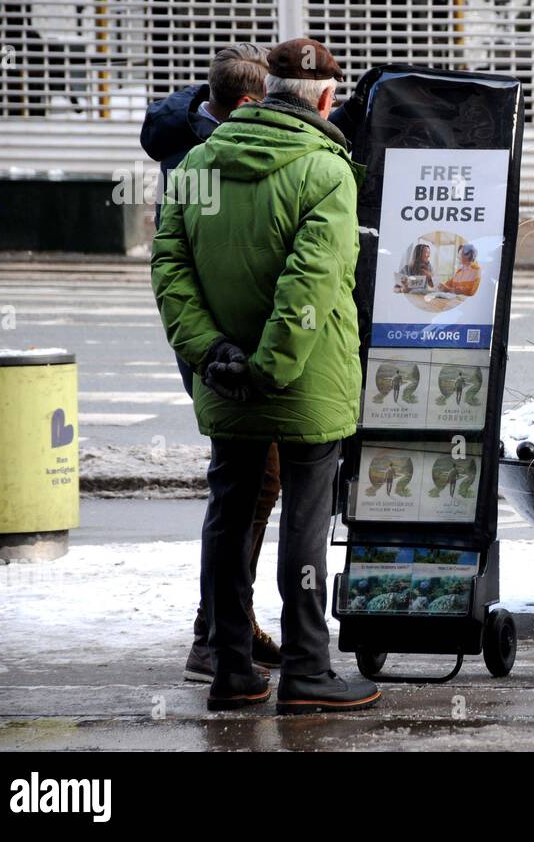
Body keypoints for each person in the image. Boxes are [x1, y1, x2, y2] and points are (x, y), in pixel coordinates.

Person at [151, 37, 380, 714]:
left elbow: (170, 268)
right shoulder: (327, 171)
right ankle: (309, 666)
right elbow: (311, 283)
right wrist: (270, 368)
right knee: (305, 523)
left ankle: (230, 666)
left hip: (224, 381)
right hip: (303, 386)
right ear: (328, 99)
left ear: (264, 94)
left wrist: (214, 353)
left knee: (227, 516)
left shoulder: (196, 163)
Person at [140, 43, 284, 682]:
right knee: (247, 487)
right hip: (236, 348)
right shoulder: (218, 155)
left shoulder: (185, 142)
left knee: (244, 483)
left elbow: (172, 263)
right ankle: (215, 633)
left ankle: (228, 626)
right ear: (249, 103)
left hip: (205, 342)